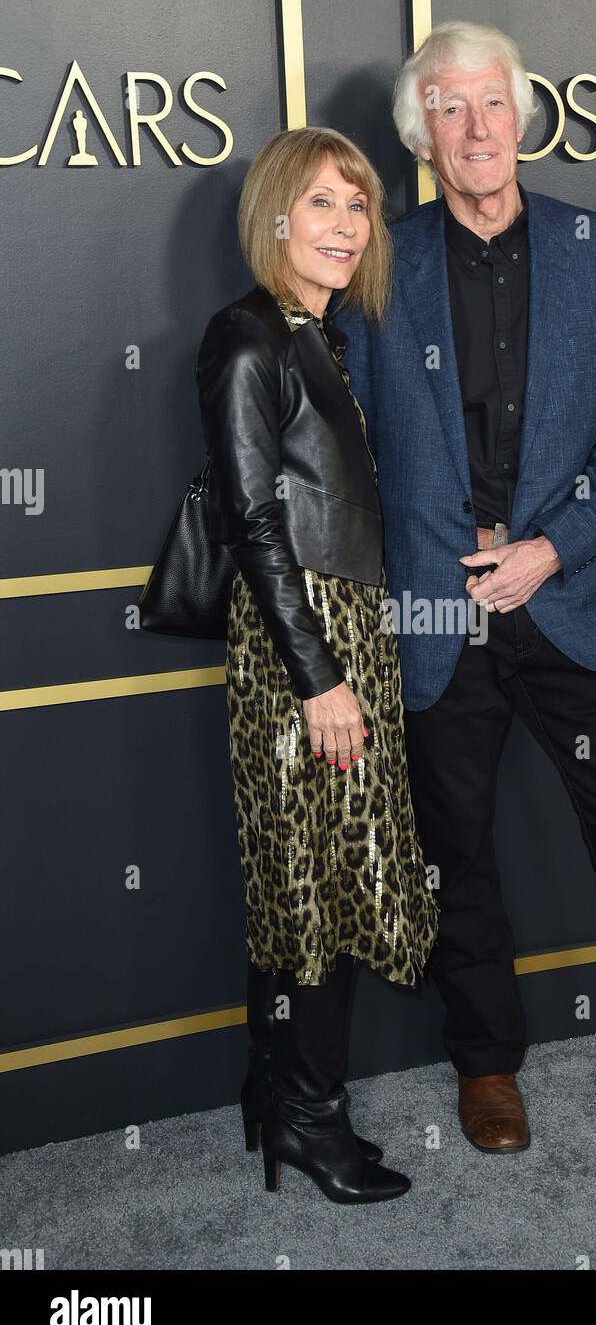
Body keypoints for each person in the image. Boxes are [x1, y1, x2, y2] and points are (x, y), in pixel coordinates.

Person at [338, 22, 596, 1206]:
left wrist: (546, 548)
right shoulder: (385, 259)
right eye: (449, 110)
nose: (475, 128)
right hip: (436, 611)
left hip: (567, 601)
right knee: (456, 855)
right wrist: (441, 552)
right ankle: (487, 1064)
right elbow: (357, 443)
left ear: (520, 112)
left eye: (491, 103)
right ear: (423, 136)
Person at [195, 126, 439, 1205]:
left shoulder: (317, 334)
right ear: (276, 217)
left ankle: (274, 1088)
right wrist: (320, 677)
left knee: (317, 878)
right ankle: (307, 1119)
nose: (347, 227)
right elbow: (253, 523)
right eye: (324, 205)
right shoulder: (245, 337)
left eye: (360, 208)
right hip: (305, 651)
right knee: (315, 888)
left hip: (342, 638)